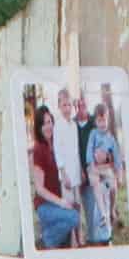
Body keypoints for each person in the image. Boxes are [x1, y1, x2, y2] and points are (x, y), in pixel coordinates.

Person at [29, 102, 82, 249]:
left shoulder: (56, 141)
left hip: (59, 201)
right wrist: (61, 202)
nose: (49, 126)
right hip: (45, 205)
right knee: (74, 217)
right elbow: (39, 189)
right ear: (39, 127)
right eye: (44, 123)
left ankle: (56, 237)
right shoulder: (39, 150)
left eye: (50, 122)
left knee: (74, 210)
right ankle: (46, 240)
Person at [83, 99, 123, 246]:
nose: (102, 124)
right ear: (96, 121)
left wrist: (119, 171)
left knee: (113, 184)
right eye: (99, 121)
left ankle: (112, 209)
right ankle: (103, 214)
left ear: (108, 119)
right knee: (95, 183)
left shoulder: (110, 137)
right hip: (94, 166)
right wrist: (91, 163)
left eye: (104, 120)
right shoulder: (94, 134)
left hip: (105, 168)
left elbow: (117, 155)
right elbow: (89, 149)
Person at [52, 88, 85, 219]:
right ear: (59, 106)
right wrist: (64, 174)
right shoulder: (58, 126)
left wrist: (81, 169)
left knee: (78, 203)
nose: (67, 108)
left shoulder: (74, 125)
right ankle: (72, 237)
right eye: (64, 105)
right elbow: (58, 151)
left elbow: (76, 150)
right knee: (69, 203)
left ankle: (79, 232)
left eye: (69, 105)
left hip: (76, 170)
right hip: (66, 174)